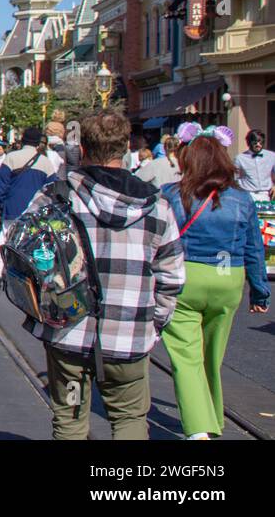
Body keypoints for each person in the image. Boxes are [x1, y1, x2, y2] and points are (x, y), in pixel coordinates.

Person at [22, 109, 185, 441]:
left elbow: (21, 249)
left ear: (81, 149)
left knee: (70, 417)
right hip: (128, 335)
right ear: (124, 149)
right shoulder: (156, 206)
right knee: (129, 418)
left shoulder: (57, 195)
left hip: (68, 333)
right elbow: (172, 276)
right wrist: (154, 324)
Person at [159, 124, 270, 439]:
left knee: (186, 355)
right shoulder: (242, 199)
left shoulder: (170, 194)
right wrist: (260, 292)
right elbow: (254, 248)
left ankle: (198, 430)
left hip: (184, 278)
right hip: (227, 279)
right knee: (212, 355)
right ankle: (213, 418)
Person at [0, 126, 55, 290]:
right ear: (38, 142)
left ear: (23, 140)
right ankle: (32, 277)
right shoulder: (46, 162)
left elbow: (1, 185)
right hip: (36, 212)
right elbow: (52, 188)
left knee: (4, 239)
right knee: (33, 243)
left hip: (13, 206)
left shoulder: (11, 158)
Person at [234, 129, 275, 203]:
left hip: (266, 194)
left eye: (260, 142)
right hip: (247, 194)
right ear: (249, 143)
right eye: (255, 142)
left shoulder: (271, 156)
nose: (258, 145)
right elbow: (234, 177)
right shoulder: (240, 158)